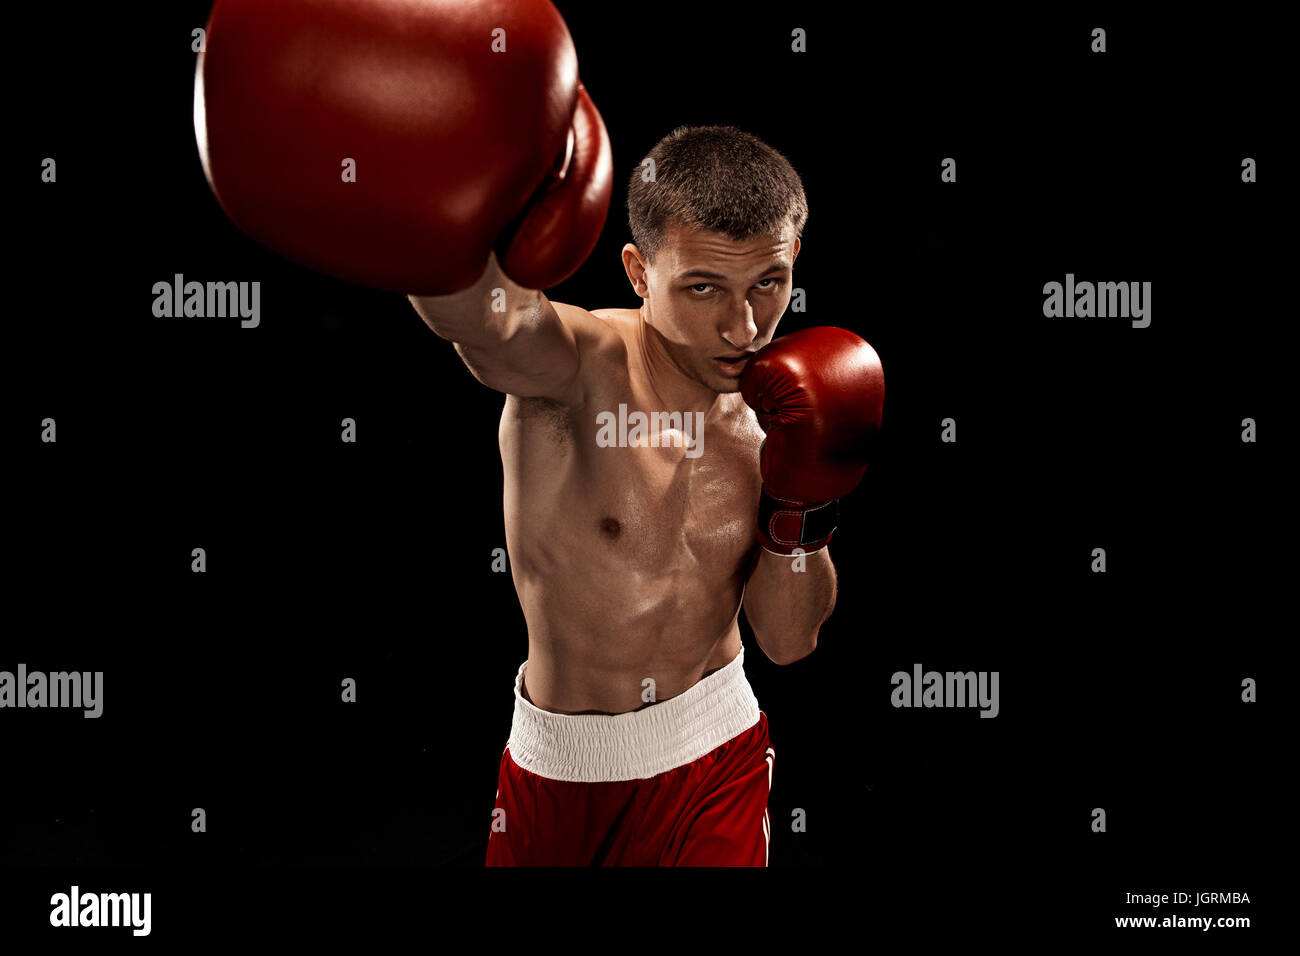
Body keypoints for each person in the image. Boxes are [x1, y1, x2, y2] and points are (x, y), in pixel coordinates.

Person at [195, 0, 883, 866]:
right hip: (557, 772)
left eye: (770, 286)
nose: (744, 328)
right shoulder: (584, 370)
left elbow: (789, 641)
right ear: (639, 271)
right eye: (704, 289)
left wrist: (803, 509)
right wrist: (431, 220)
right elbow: (490, 326)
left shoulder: (785, 413)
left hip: (718, 757)